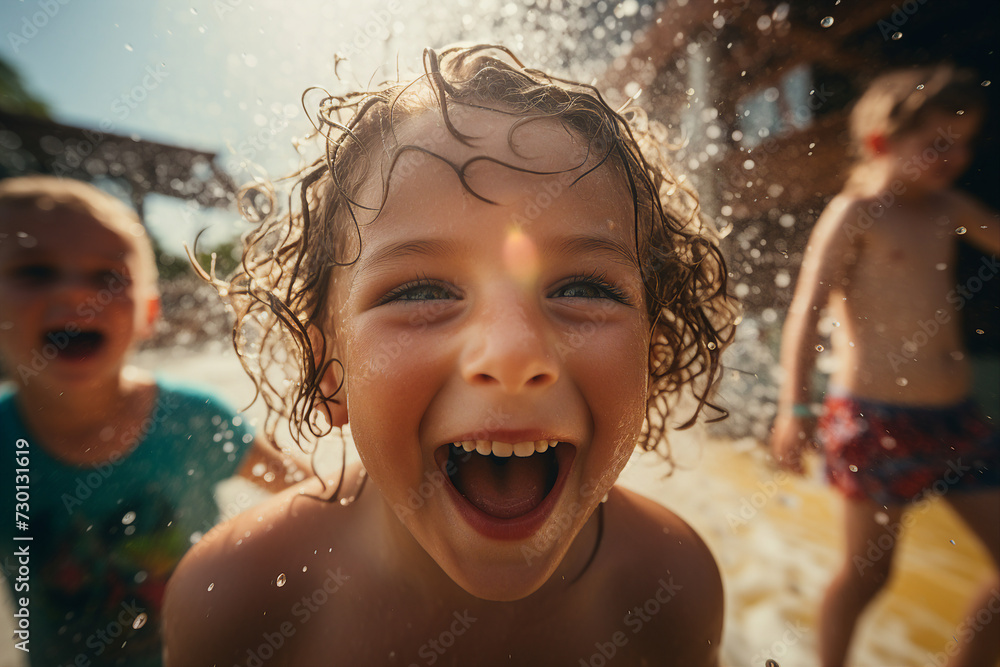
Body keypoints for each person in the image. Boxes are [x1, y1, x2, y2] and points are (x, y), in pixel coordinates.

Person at [162, 44, 738, 666]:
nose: (512, 354)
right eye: (421, 291)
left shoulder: (671, 586)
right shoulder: (241, 598)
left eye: (584, 288)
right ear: (331, 372)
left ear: (651, 358)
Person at [0, 176, 291, 666]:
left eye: (107, 279)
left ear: (148, 314)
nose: (76, 296)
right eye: (36, 272)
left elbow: (306, 491)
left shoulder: (193, 419)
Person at [771, 66, 1000, 667]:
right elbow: (805, 313)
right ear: (880, 143)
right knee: (868, 576)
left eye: (965, 142)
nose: (956, 156)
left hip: (957, 421)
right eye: (938, 143)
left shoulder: (949, 206)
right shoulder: (856, 214)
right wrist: (795, 410)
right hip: (876, 422)